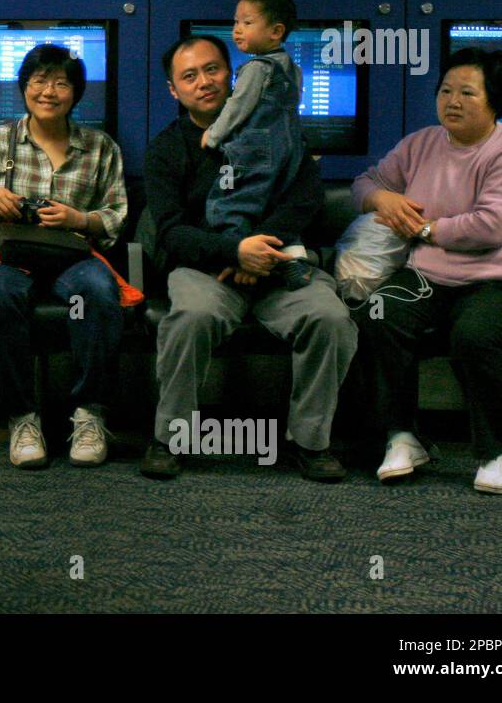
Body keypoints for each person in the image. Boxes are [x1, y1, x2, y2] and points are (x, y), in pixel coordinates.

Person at [141, 35, 355, 482]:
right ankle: (170, 437)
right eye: (190, 75)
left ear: (233, 75)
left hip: (281, 266)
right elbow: (172, 232)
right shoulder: (166, 150)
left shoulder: (277, 128)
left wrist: (258, 247)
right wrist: (234, 251)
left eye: (213, 69)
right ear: (172, 89)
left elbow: (306, 197)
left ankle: (310, 442)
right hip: (207, 271)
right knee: (190, 317)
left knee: (330, 317)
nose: (205, 82)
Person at [351, 47, 502, 495]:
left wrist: (424, 227)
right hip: (430, 277)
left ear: (495, 102)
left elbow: (493, 227)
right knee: (379, 315)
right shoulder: (421, 143)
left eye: (467, 92)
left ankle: (495, 450)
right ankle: (403, 436)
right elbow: (365, 182)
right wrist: (382, 200)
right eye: (445, 91)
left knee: (473, 334)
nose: (452, 101)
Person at [0, 44, 131, 469]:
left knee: (96, 292)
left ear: (75, 92)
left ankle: (90, 413)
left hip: (73, 254)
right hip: (11, 252)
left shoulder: (100, 147)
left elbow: (116, 215)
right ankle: (21, 416)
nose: (48, 91)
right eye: (39, 81)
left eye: (61, 83)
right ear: (24, 87)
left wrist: (78, 218)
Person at [200, 0, 313, 290]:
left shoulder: (256, 68)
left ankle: (237, 253)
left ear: (276, 31)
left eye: (247, 23)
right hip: (290, 149)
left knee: (232, 202)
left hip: (257, 149)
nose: (237, 30)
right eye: (236, 22)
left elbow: (239, 106)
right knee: (275, 202)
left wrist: (214, 133)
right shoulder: (292, 69)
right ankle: (295, 257)